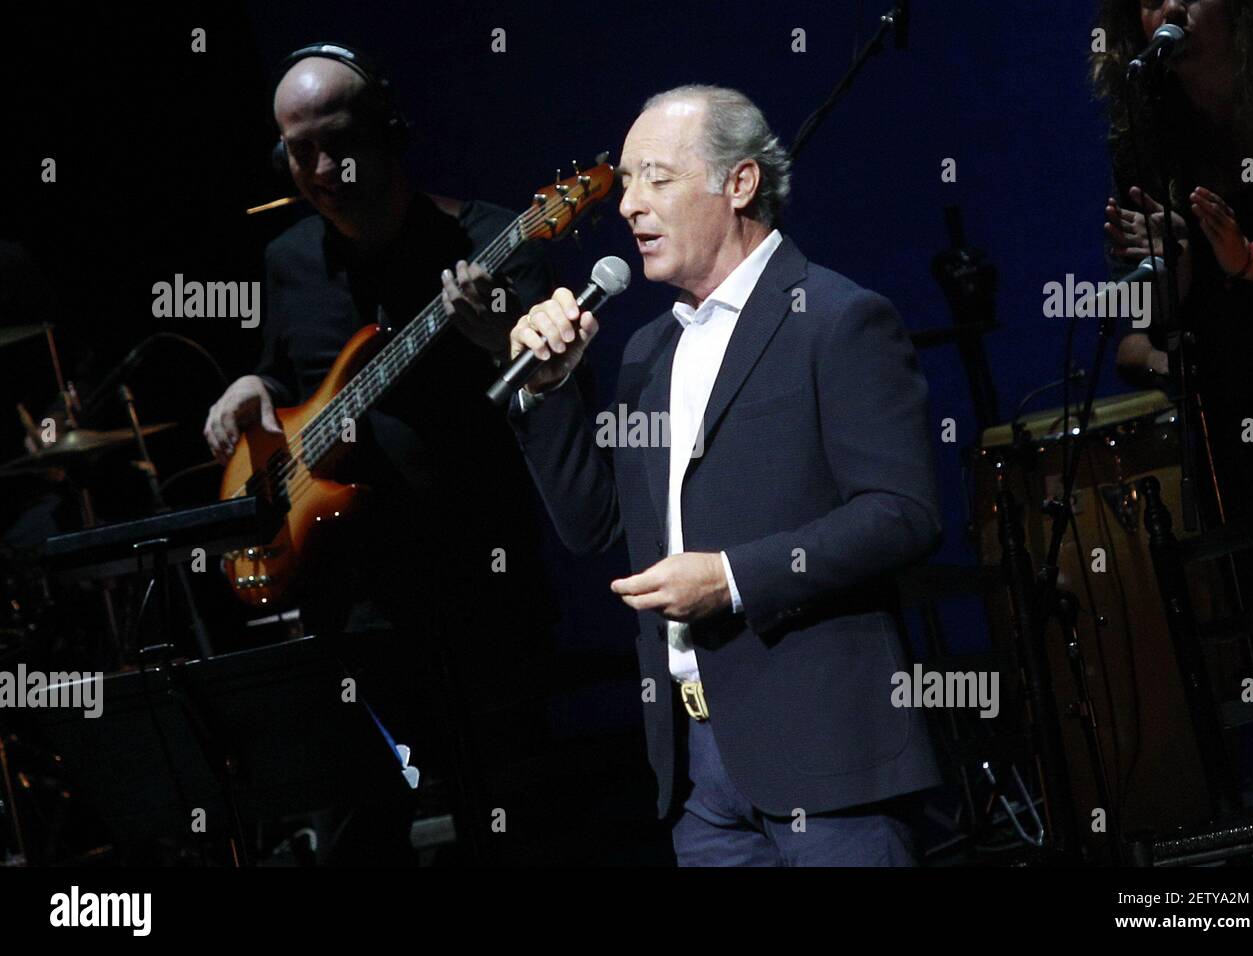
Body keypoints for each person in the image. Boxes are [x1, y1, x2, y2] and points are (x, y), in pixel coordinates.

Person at [507, 85, 942, 866]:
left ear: (739, 184)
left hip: (827, 758)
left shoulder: (837, 319)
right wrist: (548, 393)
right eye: (628, 181)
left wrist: (733, 578)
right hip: (699, 776)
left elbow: (902, 513)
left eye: (656, 178)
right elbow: (594, 526)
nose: (630, 205)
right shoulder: (646, 353)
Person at [202, 43, 557, 861]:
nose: (323, 168)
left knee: (506, 826)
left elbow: (556, 391)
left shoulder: (489, 239)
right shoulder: (287, 261)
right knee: (358, 840)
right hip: (348, 604)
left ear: (389, 131)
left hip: (477, 589)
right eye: (300, 151)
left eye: (339, 142)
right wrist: (250, 390)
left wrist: (500, 334)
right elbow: (286, 377)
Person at [1093, 0, 1253, 801]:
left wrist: (1245, 260)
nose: (1167, 6)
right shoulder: (1145, 128)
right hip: (1237, 413)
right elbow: (1150, 331)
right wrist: (1173, 273)